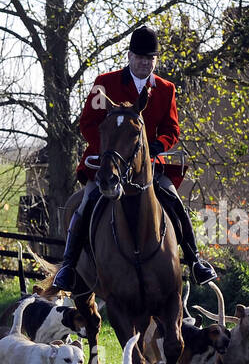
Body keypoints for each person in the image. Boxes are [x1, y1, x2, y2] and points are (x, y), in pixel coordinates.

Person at [51, 25, 216, 291]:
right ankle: (68, 266)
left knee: (174, 201)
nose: (144, 63)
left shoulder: (166, 89)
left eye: (149, 58)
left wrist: (156, 145)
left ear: (155, 60)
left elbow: (172, 130)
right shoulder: (105, 84)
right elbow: (87, 124)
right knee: (86, 204)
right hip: (109, 166)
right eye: (139, 57)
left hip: (148, 167)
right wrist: (109, 151)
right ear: (129, 56)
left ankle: (195, 260)